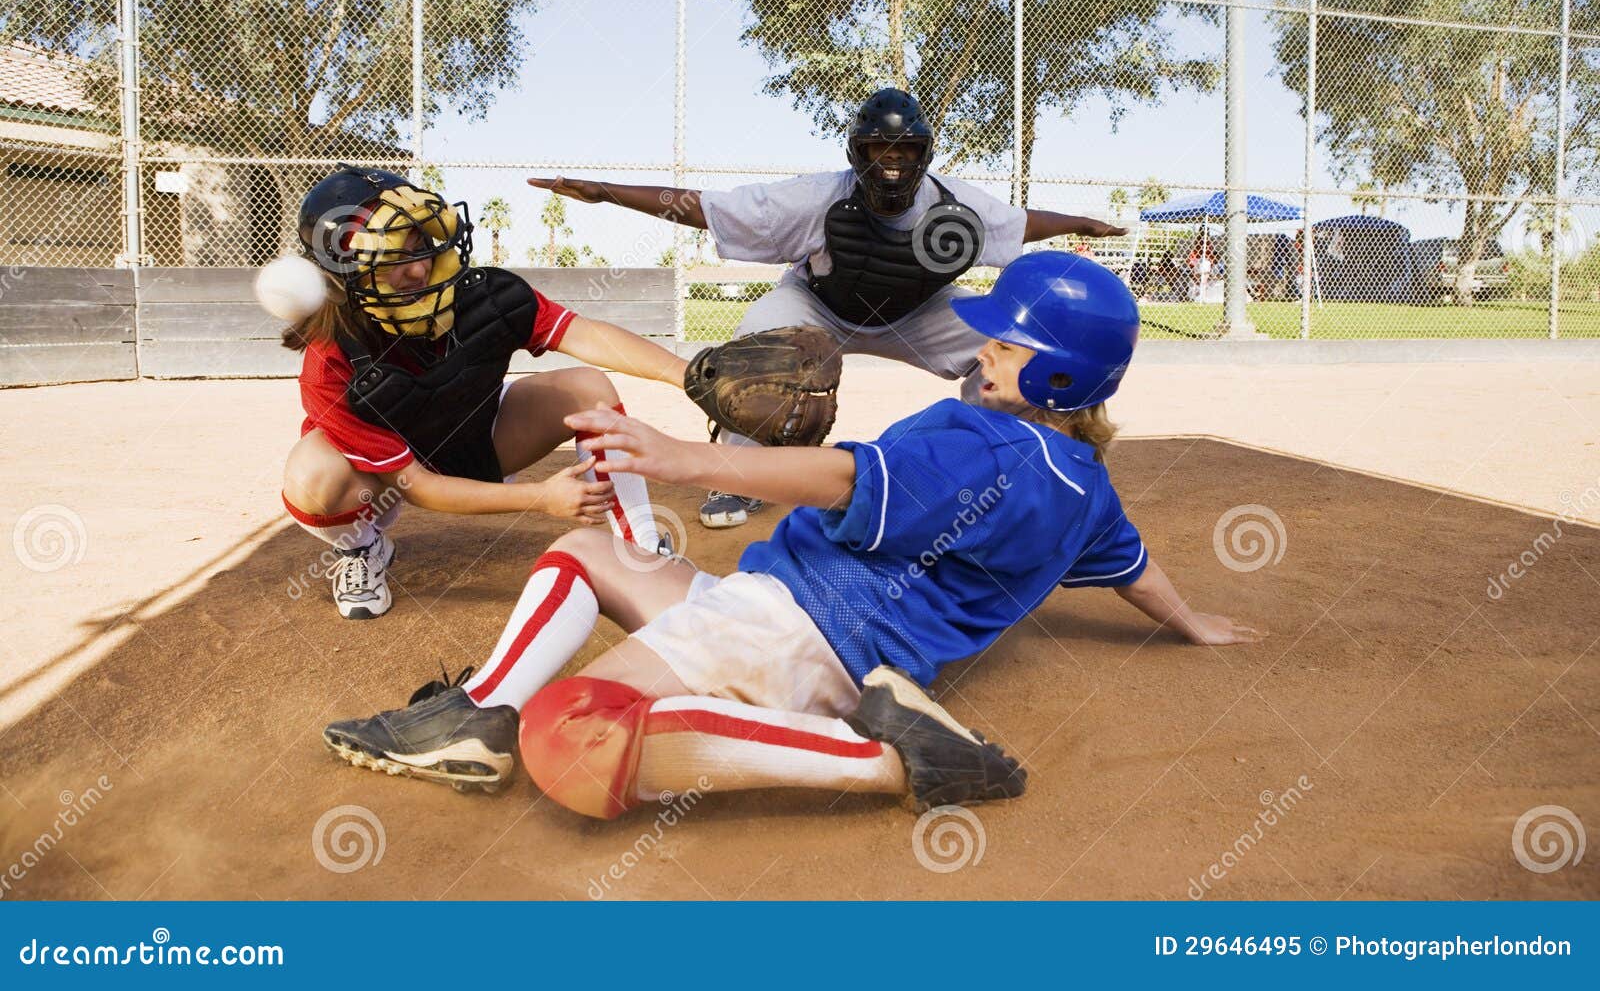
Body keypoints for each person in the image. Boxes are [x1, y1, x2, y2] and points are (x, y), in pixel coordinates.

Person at [321, 250, 1264, 817]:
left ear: (1059, 380)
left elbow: (848, 476)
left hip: (803, 637)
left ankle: (886, 759)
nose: (984, 349)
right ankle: (476, 719)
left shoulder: (988, 446)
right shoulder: (1085, 485)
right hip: (776, 614)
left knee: (571, 738)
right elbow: (1130, 564)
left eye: (1008, 347)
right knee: (585, 552)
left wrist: (681, 459)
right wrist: (1191, 621)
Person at [529, 88, 1126, 530]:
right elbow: (706, 208)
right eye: (879, 147)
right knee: (757, 344)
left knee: (998, 349)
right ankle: (739, 476)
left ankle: (996, 464)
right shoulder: (818, 196)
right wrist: (607, 192)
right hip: (820, 305)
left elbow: (1017, 225)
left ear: (924, 153)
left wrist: (1075, 222)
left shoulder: (953, 202)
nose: (892, 161)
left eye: (906, 149)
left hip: (918, 312)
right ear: (856, 150)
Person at [281, 166, 688, 620]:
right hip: (386, 485)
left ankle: (642, 546)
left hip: (477, 438)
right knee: (312, 472)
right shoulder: (330, 363)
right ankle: (361, 549)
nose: (419, 269)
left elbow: (585, 333)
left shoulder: (483, 296)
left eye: (422, 247)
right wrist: (539, 497)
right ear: (342, 277)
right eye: (395, 257)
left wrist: (687, 374)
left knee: (588, 388)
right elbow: (419, 488)